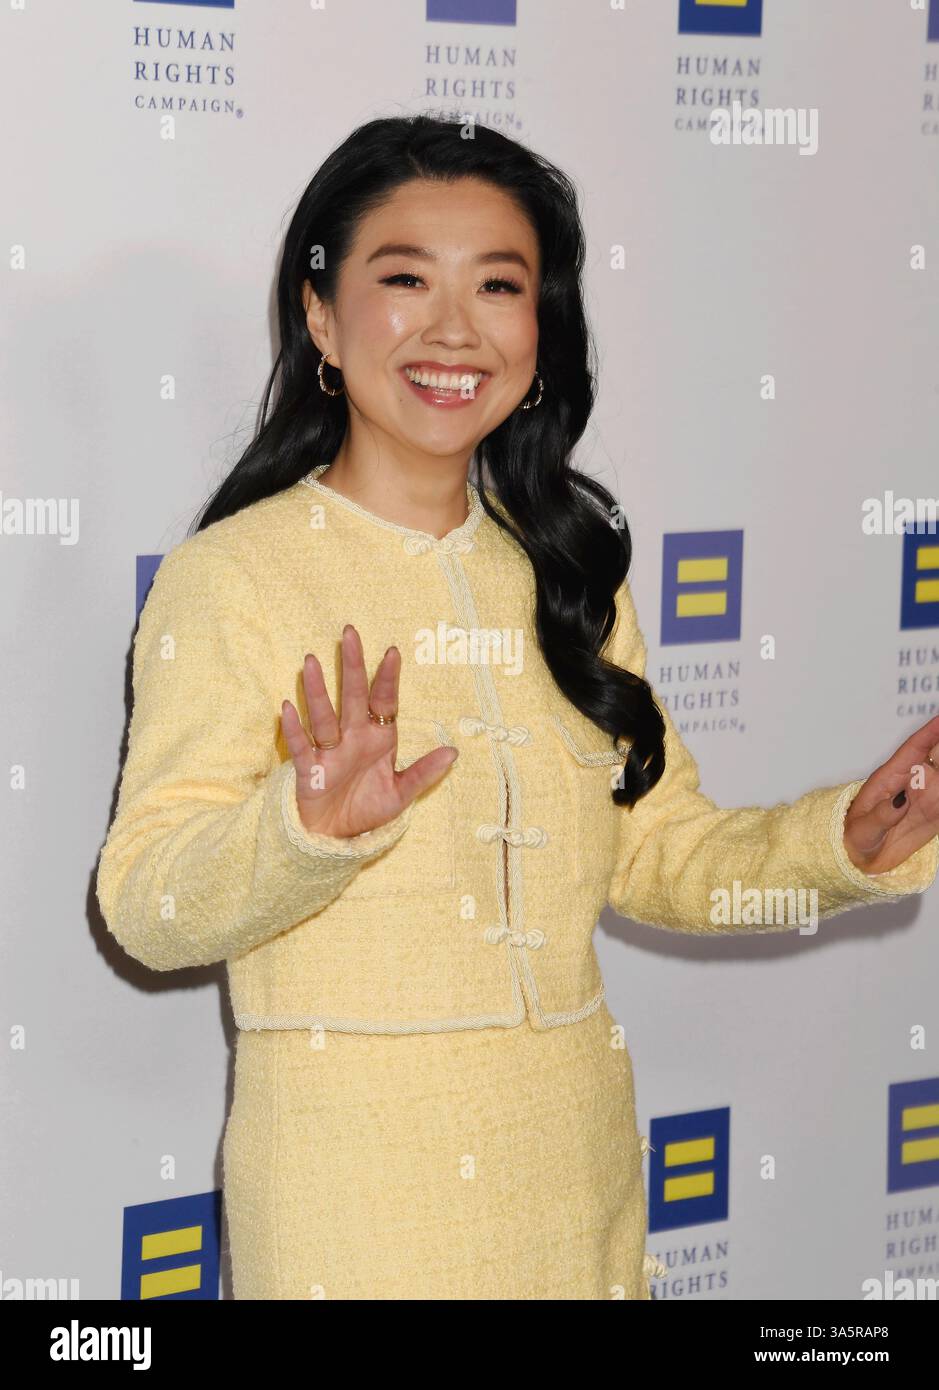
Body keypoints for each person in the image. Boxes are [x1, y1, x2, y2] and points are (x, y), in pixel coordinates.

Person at [96, 115, 939, 1301]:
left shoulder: (571, 567)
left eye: (500, 285)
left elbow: (658, 852)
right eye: (405, 280)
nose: (454, 328)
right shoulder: (234, 578)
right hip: (357, 1214)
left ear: (542, 333)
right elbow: (146, 903)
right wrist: (301, 830)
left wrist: (842, 842)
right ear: (322, 317)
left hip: (579, 1186)